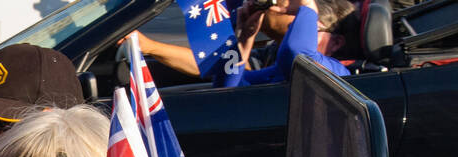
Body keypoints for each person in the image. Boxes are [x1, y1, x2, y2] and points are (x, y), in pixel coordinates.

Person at [133, 0, 355, 86]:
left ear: (336, 42)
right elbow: (226, 87)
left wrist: (307, 6)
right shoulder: (276, 67)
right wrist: (245, 39)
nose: (296, 33)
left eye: (306, 27)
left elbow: (297, 54)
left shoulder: (338, 73)